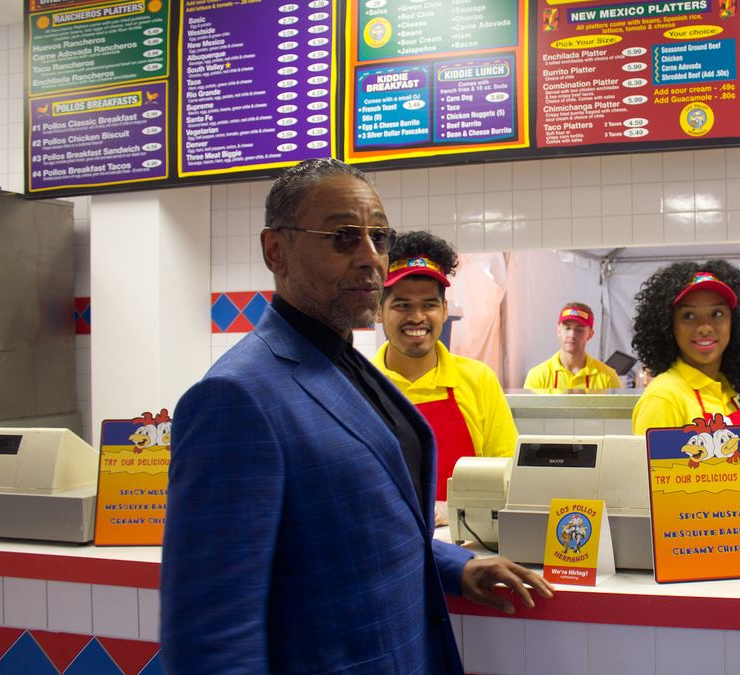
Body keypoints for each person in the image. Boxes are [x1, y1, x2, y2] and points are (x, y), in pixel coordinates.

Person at [162, 159, 552, 674]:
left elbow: (354, 535)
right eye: (344, 237)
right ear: (275, 250)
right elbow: (211, 630)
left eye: (380, 237)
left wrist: (458, 566)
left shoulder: (345, 367)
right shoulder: (236, 398)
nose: (372, 258)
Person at [373, 230, 518, 506]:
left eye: (429, 305)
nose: (417, 317)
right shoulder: (360, 385)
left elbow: (508, 475)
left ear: (444, 309)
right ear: (378, 312)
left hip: (467, 541)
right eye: (402, 305)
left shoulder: (478, 380)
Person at [631, 261, 740, 433]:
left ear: (736, 323)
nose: (705, 328)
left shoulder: (723, 390)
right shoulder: (664, 397)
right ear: (668, 325)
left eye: (717, 314)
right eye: (689, 316)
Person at [524, 302, 623, 391]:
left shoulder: (608, 377)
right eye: (567, 328)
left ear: (590, 334)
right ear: (558, 330)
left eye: (579, 330)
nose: (571, 334)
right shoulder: (537, 376)